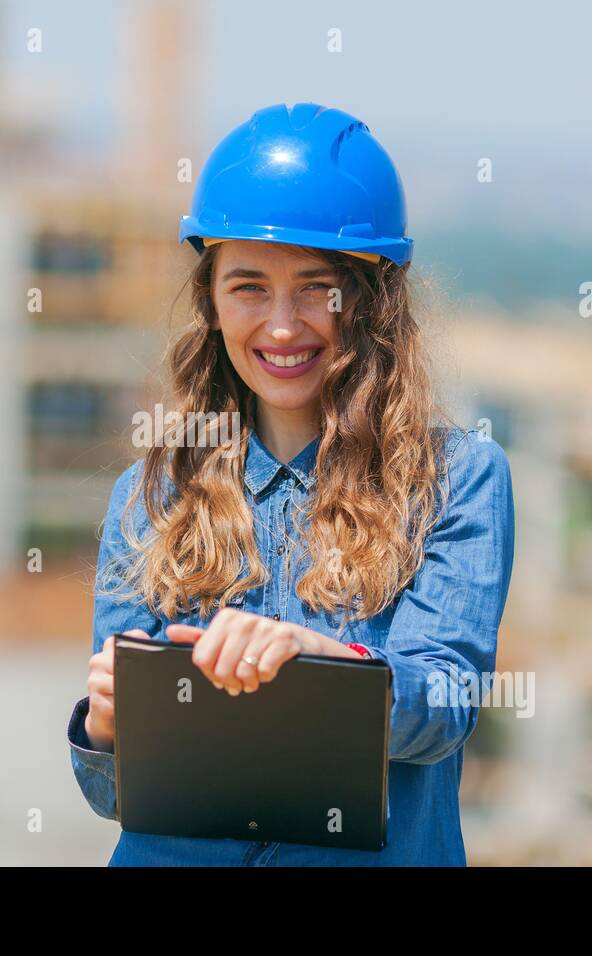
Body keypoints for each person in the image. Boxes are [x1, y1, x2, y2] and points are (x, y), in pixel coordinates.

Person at [65, 102, 515, 866]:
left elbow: (446, 705)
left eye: (316, 288)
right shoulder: (149, 498)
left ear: (372, 302)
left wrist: (324, 669)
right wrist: (106, 725)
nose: (281, 326)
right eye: (248, 287)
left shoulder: (457, 480)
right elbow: (119, 797)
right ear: (210, 301)